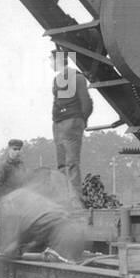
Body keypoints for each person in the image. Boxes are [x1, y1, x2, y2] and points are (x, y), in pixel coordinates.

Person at [51, 49, 93, 203]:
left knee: (70, 163)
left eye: (52, 60)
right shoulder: (59, 79)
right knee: (64, 163)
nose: (50, 63)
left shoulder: (77, 78)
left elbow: (86, 104)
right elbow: (87, 103)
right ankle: (66, 198)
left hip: (69, 122)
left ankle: (74, 199)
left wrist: (80, 120)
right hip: (59, 123)